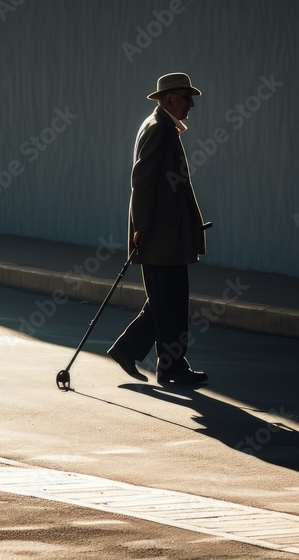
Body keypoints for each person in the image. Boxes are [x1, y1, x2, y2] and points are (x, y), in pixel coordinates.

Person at [107, 72, 209, 385]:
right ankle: (168, 364)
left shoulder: (163, 127)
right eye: (185, 97)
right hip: (158, 234)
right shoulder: (157, 129)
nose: (191, 104)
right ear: (168, 99)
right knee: (169, 300)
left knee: (170, 300)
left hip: (167, 234)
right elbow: (142, 181)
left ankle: (146, 356)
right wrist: (141, 227)